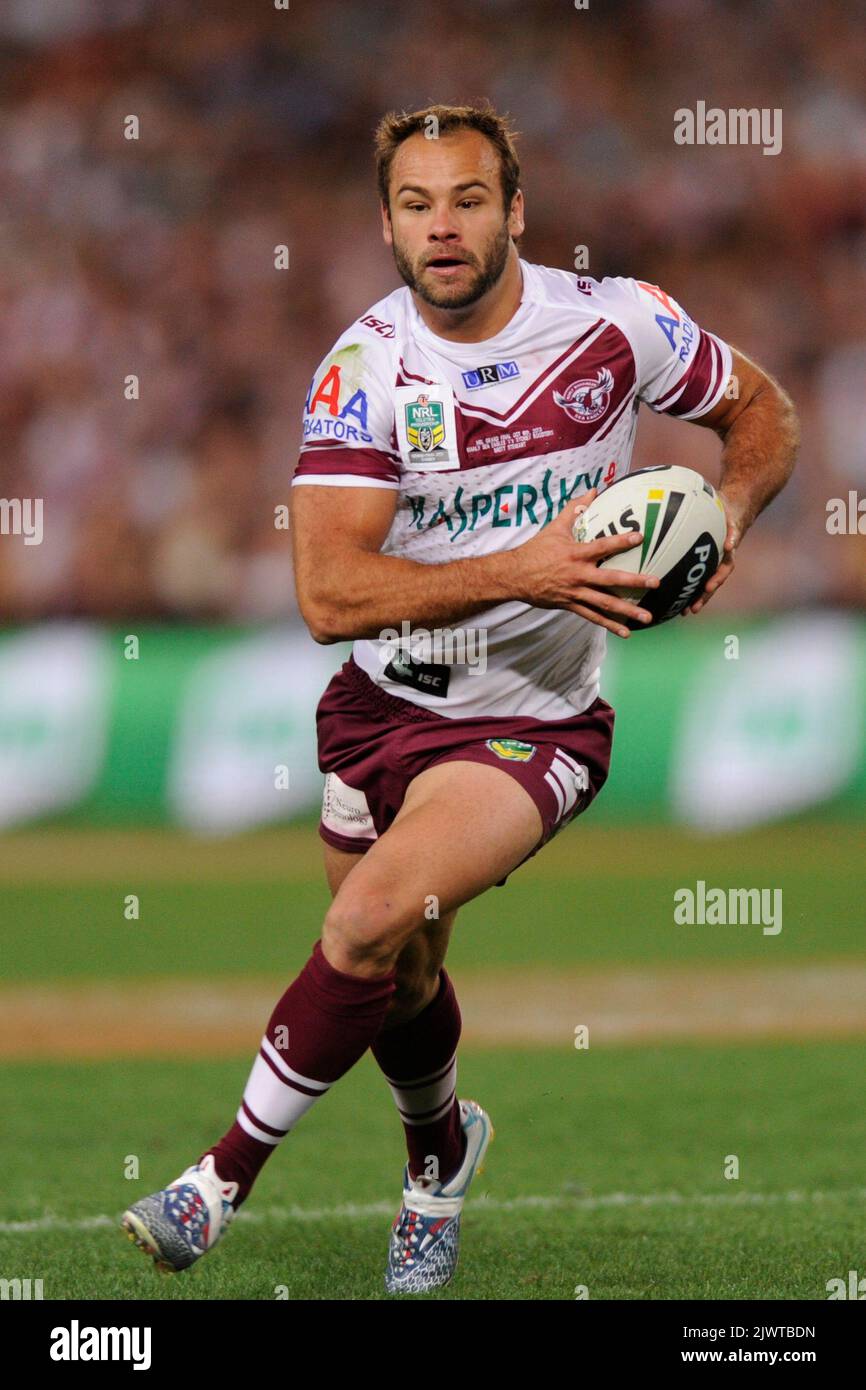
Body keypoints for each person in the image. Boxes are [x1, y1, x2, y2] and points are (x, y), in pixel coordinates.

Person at [122, 102, 798, 1295]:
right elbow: (328, 596)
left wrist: (724, 516)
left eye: (468, 199)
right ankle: (441, 1155)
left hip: (532, 721)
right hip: (377, 709)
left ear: (516, 210)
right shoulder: (363, 372)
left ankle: (213, 1181)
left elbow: (761, 412)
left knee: (368, 918)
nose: (443, 227)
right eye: (417, 204)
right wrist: (529, 566)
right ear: (385, 223)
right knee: (405, 976)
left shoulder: (611, 326)